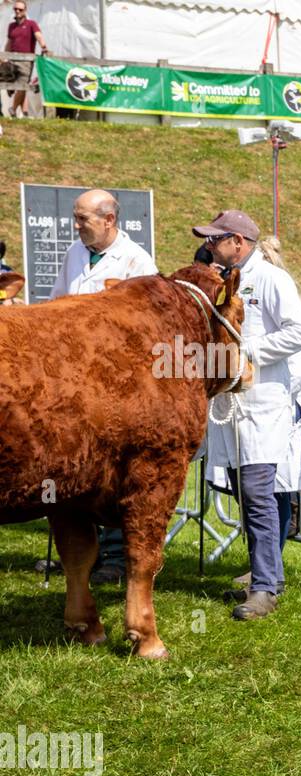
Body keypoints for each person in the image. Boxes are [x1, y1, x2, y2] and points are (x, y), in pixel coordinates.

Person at [197, 209, 301, 622]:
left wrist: (248, 353)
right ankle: (266, 575)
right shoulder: (225, 280)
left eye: (216, 239)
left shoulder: (271, 278)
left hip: (264, 403)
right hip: (231, 405)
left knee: (259, 494)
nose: (209, 245)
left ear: (239, 242)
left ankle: (264, 588)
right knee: (244, 493)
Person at [50, 189, 158, 585]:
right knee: (74, 461)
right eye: (76, 219)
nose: (76, 226)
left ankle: (114, 553)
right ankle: (80, 551)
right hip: (73, 379)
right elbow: (58, 301)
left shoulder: (137, 260)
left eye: (83, 219)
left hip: (116, 381)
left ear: (109, 220)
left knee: (114, 464)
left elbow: (146, 325)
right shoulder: (75, 254)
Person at [5, 2, 46, 119]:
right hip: (12, 60)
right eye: (15, 9)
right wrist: (4, 56)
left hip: (26, 61)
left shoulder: (31, 24)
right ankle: (24, 112)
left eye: (20, 9)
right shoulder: (11, 26)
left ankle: (12, 109)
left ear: (25, 10)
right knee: (20, 86)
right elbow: (9, 42)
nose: (17, 11)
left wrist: (43, 46)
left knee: (22, 85)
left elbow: (38, 35)